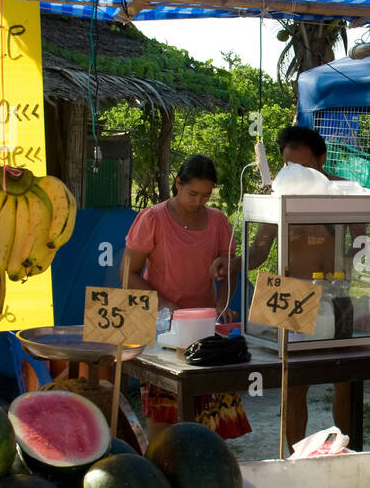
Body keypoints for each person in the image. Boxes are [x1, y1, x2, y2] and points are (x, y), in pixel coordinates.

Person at [239, 126, 354, 449]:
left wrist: (352, 257)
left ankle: (345, 448)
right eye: (290, 168)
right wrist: (233, 263)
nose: (298, 175)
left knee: (345, 378)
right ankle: (294, 453)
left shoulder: (342, 192)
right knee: (294, 382)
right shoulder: (281, 195)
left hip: (336, 293)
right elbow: (260, 249)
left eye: (306, 167)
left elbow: (362, 236)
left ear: (322, 159)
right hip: (292, 295)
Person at [125, 155, 250, 444]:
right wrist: (165, 304)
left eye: (206, 195)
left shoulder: (218, 220)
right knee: (163, 411)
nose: (199, 201)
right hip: (163, 329)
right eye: (192, 193)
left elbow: (228, 270)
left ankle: (207, 471)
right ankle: (159, 471)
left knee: (210, 413)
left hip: (206, 331)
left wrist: (222, 305)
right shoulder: (153, 218)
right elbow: (128, 274)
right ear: (178, 183)